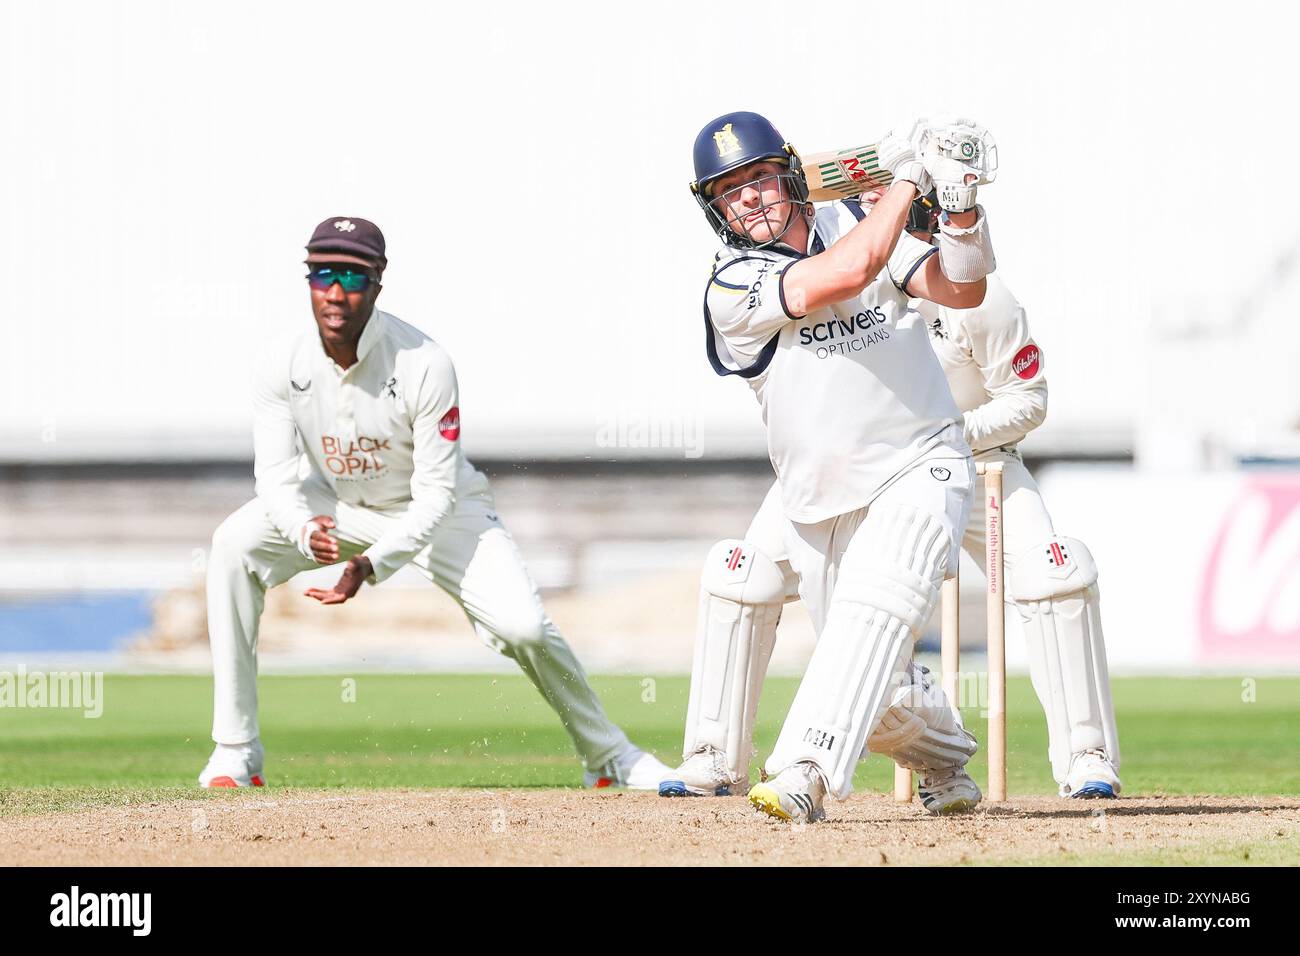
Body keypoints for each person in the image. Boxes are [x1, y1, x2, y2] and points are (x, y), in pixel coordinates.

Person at [198, 216, 670, 790]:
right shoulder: (281, 362)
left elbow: (437, 492)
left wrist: (371, 564)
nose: (336, 290)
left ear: (377, 281)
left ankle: (608, 755)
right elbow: (273, 476)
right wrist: (302, 529)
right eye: (323, 273)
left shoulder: (423, 361)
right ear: (309, 281)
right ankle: (236, 750)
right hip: (337, 503)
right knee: (231, 546)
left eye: (351, 274)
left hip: (440, 511)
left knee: (522, 627)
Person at [664, 112, 999, 821]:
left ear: (788, 176)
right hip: (817, 496)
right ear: (715, 210)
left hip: (920, 460)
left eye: (758, 177)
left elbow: (961, 289)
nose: (749, 198)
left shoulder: (855, 216)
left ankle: (802, 773)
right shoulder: (731, 285)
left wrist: (962, 211)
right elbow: (850, 270)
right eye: (730, 191)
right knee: (872, 679)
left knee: (875, 606)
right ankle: (944, 760)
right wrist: (909, 177)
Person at [905, 192, 1122, 797]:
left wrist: (948, 438)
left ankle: (1086, 755)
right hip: (883, 477)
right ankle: (933, 762)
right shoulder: (851, 292)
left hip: (980, 469)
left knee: (1057, 576)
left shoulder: (985, 298)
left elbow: (1028, 400)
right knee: (764, 579)